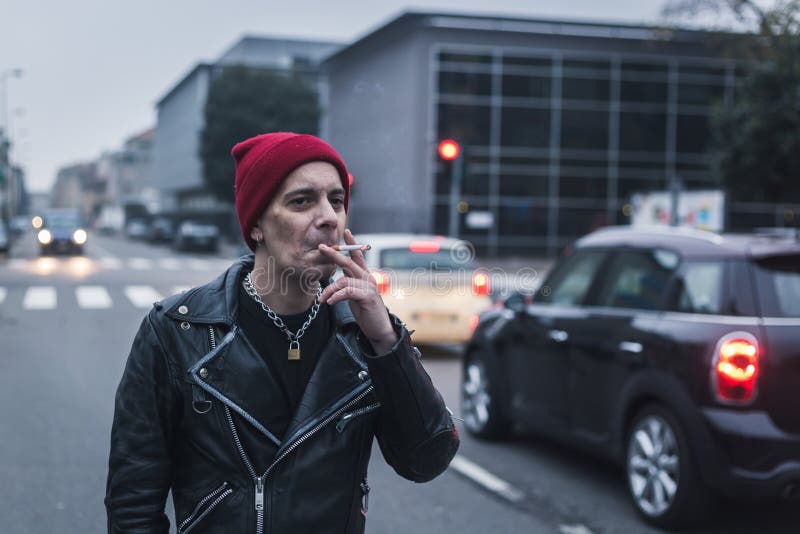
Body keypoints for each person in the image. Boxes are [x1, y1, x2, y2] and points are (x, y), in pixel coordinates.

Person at [105, 132, 459, 533]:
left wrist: (386, 342)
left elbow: (426, 460)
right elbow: (133, 502)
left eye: (336, 200)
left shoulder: (362, 334)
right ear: (257, 223)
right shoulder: (177, 330)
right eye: (302, 201)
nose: (328, 217)